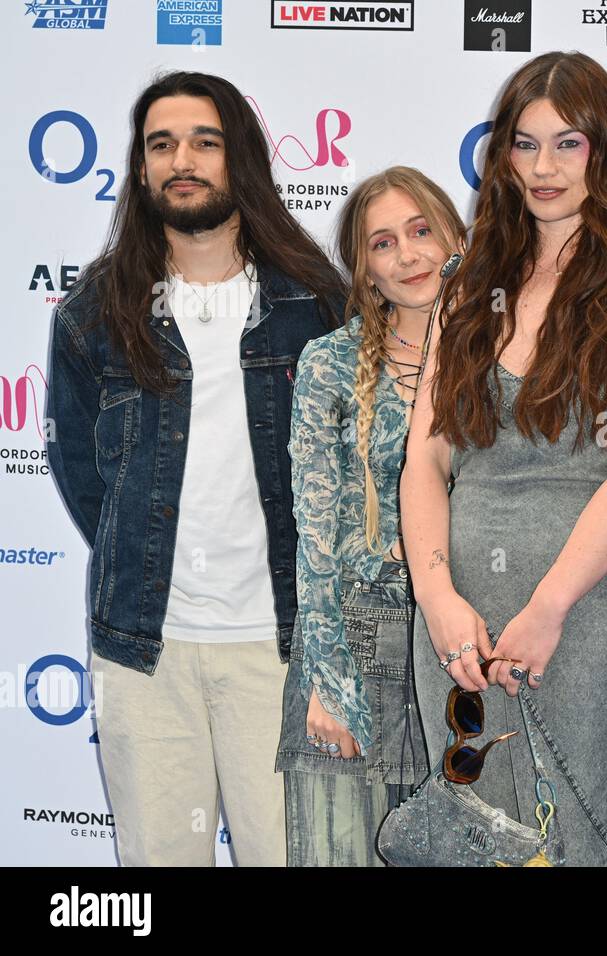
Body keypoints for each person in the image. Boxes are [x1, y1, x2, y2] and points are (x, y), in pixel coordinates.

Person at [401, 51, 607, 867]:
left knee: (574, 847)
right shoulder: (465, 285)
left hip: (581, 625)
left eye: (568, 143)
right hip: (456, 630)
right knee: (466, 849)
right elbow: (425, 462)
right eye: (525, 145)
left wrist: (548, 607)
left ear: (605, 152)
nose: (544, 167)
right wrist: (438, 599)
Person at [46, 71, 346, 866]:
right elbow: (85, 479)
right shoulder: (92, 316)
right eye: (162, 144)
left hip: (284, 655)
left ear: (238, 158)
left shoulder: (315, 306)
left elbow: (351, 476)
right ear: (141, 169)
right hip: (145, 655)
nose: (183, 160)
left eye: (205, 142)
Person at [275, 167, 467, 866]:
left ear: (457, 236)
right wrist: (327, 681)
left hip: (466, 652)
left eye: (422, 231)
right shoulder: (328, 363)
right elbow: (316, 536)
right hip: (356, 640)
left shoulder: (505, 359)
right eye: (384, 243)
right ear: (365, 270)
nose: (409, 255)